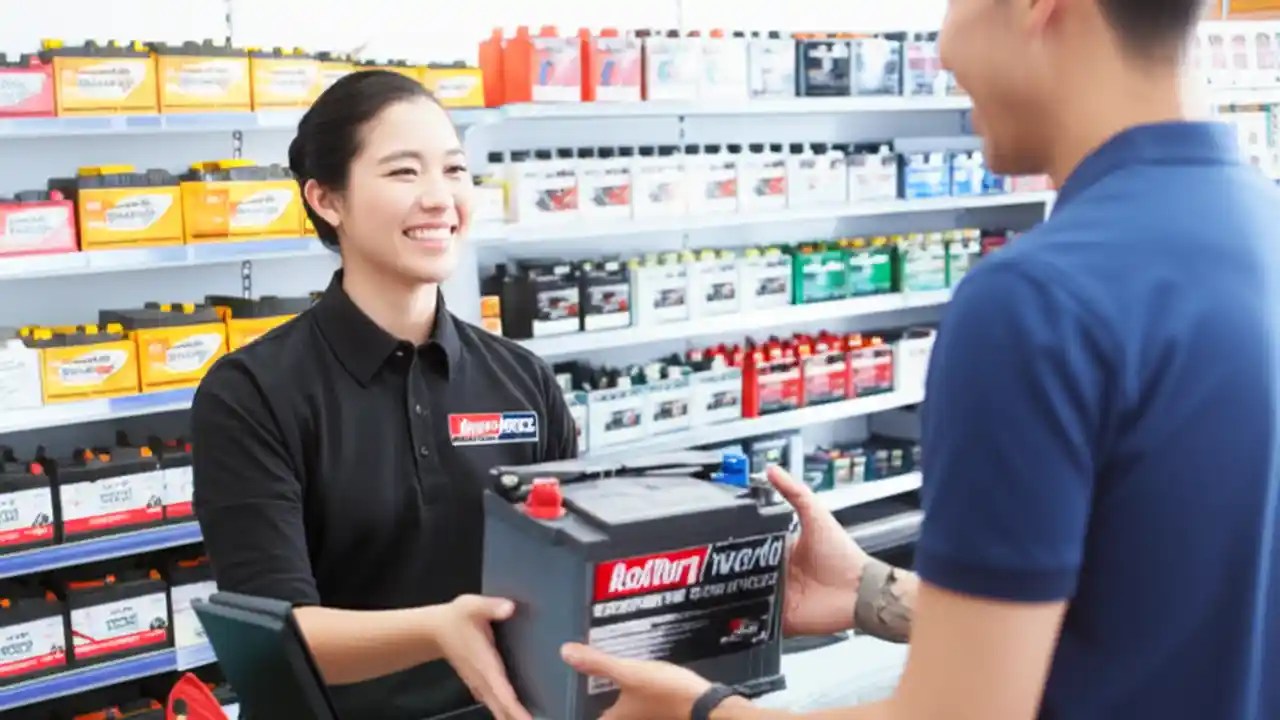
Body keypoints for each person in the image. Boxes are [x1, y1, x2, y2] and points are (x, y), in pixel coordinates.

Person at [560, 0, 1280, 718]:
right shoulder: (1259, 229)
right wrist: (873, 591)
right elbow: (1147, 612)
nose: (941, 44)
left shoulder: (1038, 301)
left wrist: (703, 713)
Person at [190, 70, 577, 720]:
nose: (440, 198)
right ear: (326, 199)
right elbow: (276, 638)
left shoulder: (524, 380)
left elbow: (575, 576)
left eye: (454, 170)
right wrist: (437, 631)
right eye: (404, 173)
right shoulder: (252, 394)